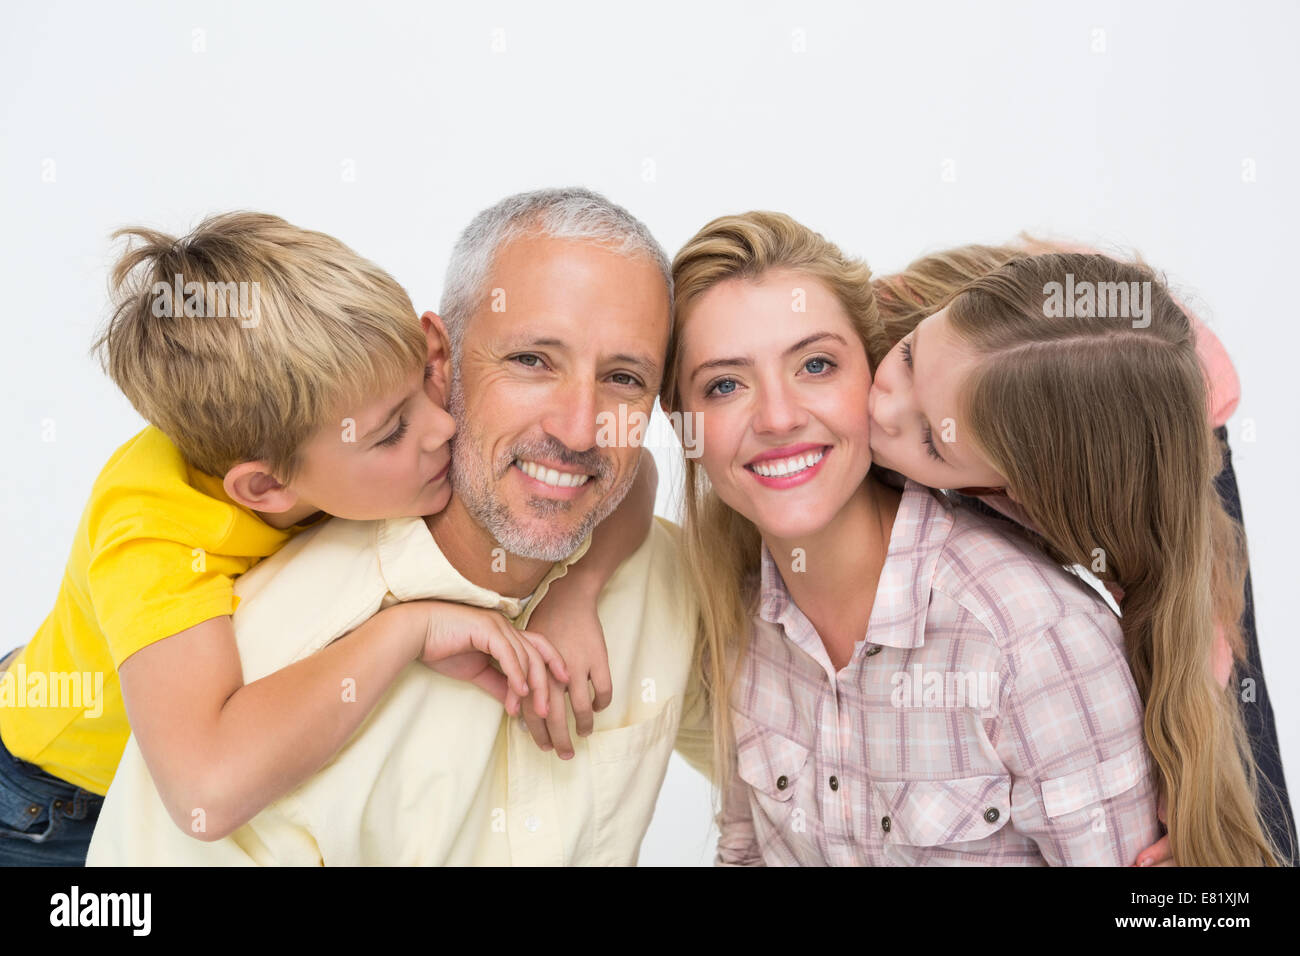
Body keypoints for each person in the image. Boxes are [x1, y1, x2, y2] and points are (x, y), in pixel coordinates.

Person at [85, 187, 713, 866]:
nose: (579, 427)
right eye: (532, 360)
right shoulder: (224, 606)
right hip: (49, 787)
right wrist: (406, 629)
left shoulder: (670, 578)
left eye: (624, 377)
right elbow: (203, 786)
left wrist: (580, 586)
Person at [659, 210, 1160, 865]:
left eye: (815, 365)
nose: (778, 417)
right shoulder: (733, 619)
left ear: (874, 375)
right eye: (725, 385)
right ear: (683, 428)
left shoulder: (1029, 634)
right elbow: (745, 849)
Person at [866, 242, 1289, 866]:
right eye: (904, 362)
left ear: (1014, 489)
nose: (880, 407)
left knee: (1232, 795)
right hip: (1056, 327)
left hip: (1176, 423)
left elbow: (1176, 620)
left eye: (931, 439)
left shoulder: (1111, 506)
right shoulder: (903, 316)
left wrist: (1184, 802)